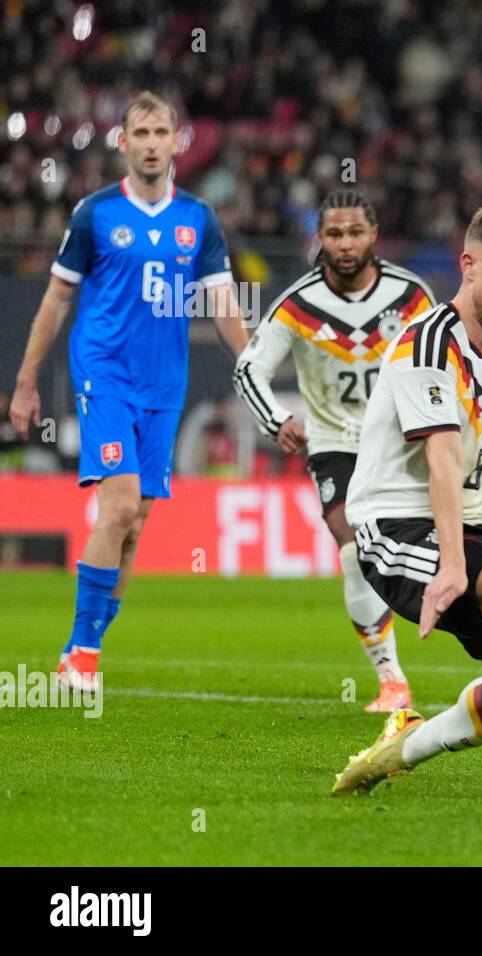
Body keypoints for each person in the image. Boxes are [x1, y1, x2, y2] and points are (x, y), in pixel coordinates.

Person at [8, 91, 249, 689]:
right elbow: (59, 296)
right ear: (124, 142)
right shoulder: (95, 214)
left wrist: (252, 374)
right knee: (116, 507)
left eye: (160, 133)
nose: (149, 144)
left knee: (136, 524)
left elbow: (222, 302)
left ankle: (82, 644)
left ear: (176, 142)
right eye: (139, 133)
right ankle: (82, 656)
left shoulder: (198, 219)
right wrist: (25, 381)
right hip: (103, 374)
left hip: (164, 387)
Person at [332, 203, 482, 810]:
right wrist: (459, 569)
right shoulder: (427, 343)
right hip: (395, 522)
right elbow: (441, 459)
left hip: (473, 528)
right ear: (468, 264)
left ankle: (405, 747)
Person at [233, 189, 437, 711]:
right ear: (319, 239)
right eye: (333, 234)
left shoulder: (411, 295)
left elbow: (441, 360)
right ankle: (392, 680)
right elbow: (249, 369)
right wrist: (276, 420)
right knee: (353, 550)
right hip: (335, 445)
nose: (345, 244)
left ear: (373, 235)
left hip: (400, 442)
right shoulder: (298, 304)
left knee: (420, 554)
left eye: (354, 233)